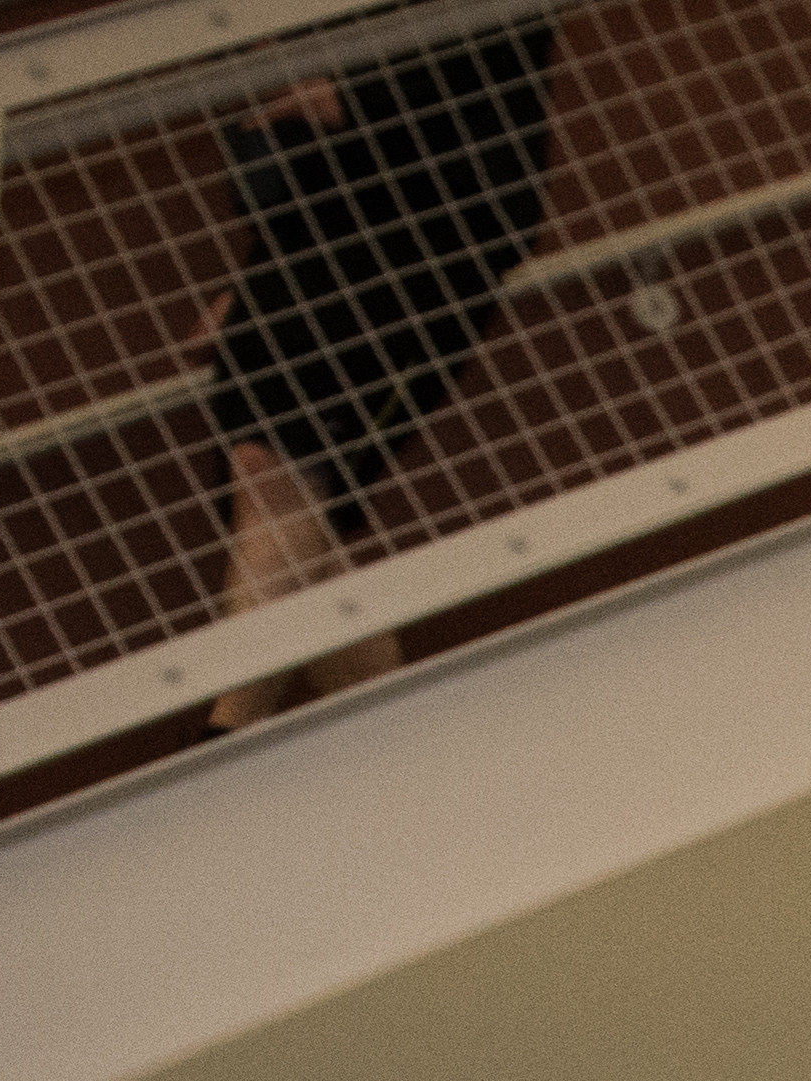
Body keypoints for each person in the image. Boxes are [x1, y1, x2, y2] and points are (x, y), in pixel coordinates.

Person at [198, 17, 557, 731]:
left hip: (432, 230)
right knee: (288, 510)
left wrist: (351, 93)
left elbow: (482, 73)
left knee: (276, 469)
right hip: (319, 238)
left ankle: (225, 734)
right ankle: (392, 735)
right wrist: (262, 264)